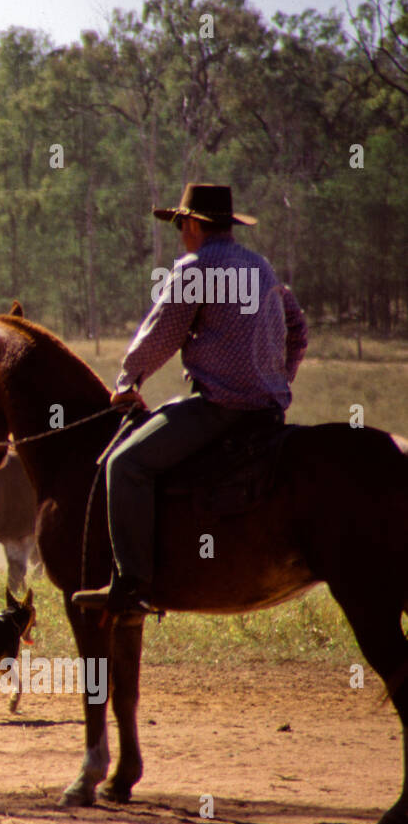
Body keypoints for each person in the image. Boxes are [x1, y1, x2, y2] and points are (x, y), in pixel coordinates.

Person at [72, 183, 308, 614]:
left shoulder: (195, 268)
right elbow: (299, 328)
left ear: (196, 223)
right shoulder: (261, 267)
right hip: (269, 410)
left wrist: (129, 381)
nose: (181, 232)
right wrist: (278, 380)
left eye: (182, 223)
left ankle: (132, 585)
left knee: (125, 465)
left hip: (221, 408)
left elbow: (163, 329)